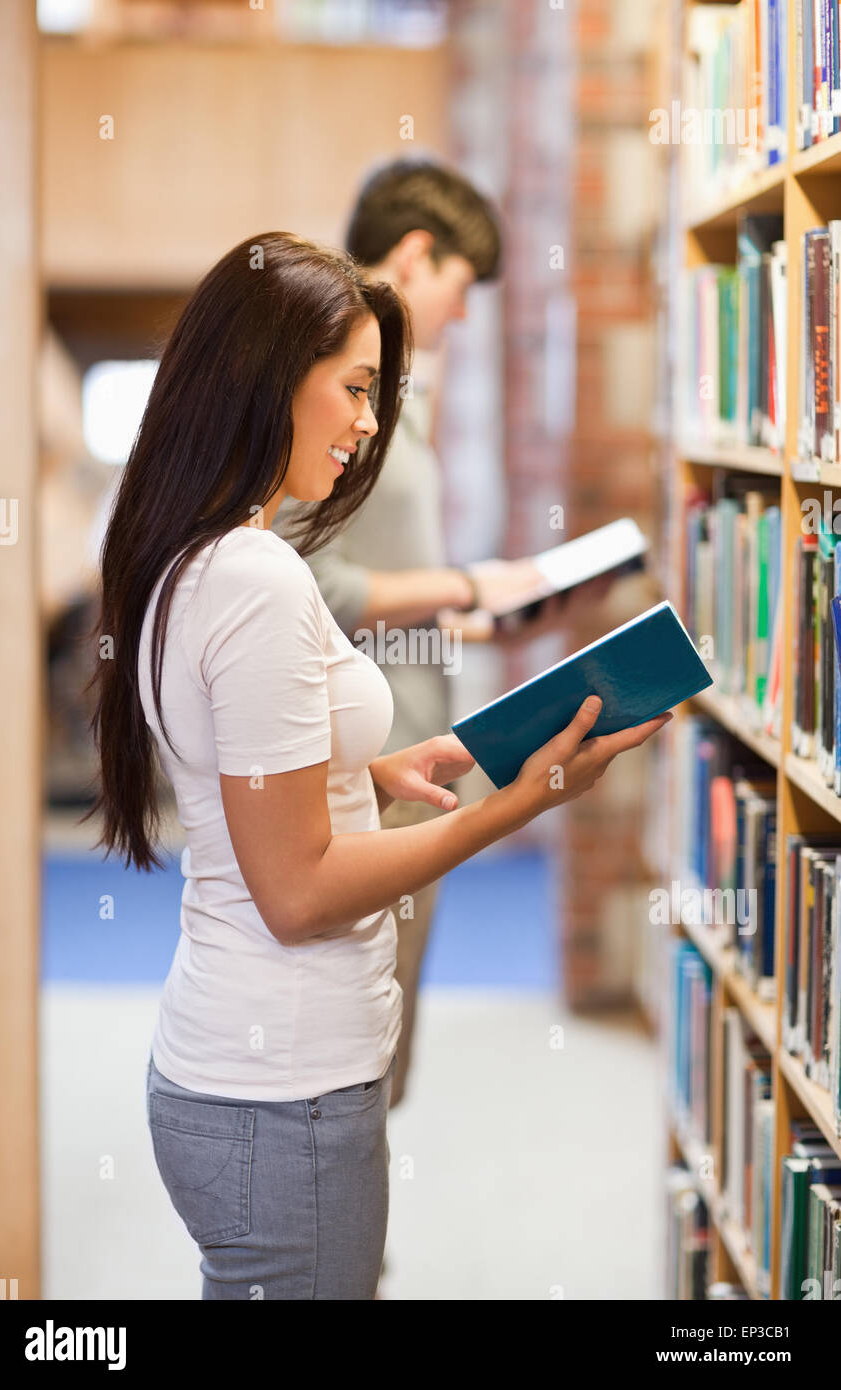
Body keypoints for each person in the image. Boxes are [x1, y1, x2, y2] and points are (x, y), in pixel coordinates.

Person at [83, 230, 671, 1301]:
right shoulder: (254, 576)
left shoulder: (198, 553)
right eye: (353, 388)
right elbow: (297, 892)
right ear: (270, 376)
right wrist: (517, 803)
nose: (366, 423)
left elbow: (250, 770)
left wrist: (391, 764)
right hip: (280, 1091)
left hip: (245, 1078)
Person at [274, 157, 608, 1109]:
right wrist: (463, 581)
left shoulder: (385, 387)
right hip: (363, 761)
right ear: (417, 257)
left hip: (411, 748)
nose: (462, 315)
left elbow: (378, 591)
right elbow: (298, 584)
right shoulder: (327, 382)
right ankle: (337, 1256)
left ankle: (353, 1255)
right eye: (461, 291)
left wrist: (480, 617)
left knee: (387, 1046)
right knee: (359, 1059)